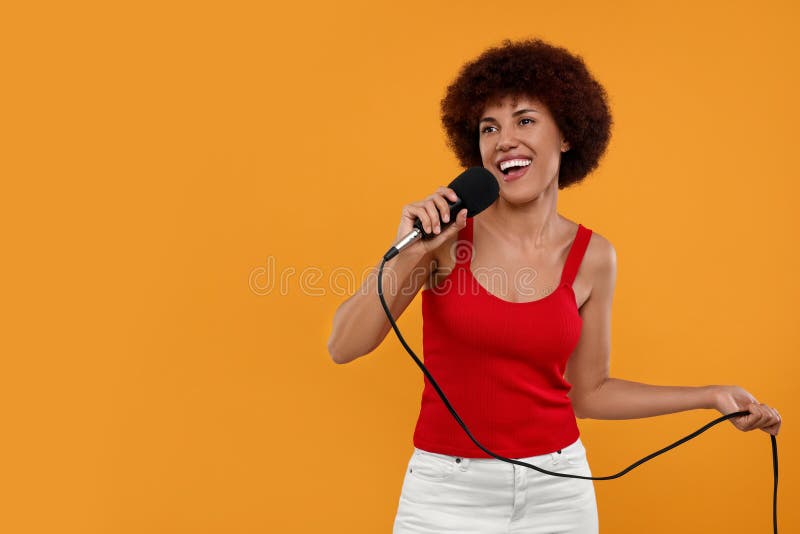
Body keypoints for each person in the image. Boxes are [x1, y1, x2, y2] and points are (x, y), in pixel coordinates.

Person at [327, 38, 782, 533]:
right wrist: (409, 252)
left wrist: (711, 395)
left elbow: (590, 393)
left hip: (558, 491)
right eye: (489, 127)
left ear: (566, 135)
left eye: (525, 120)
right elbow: (344, 345)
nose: (504, 140)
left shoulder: (594, 256)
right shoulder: (445, 237)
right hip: (446, 494)